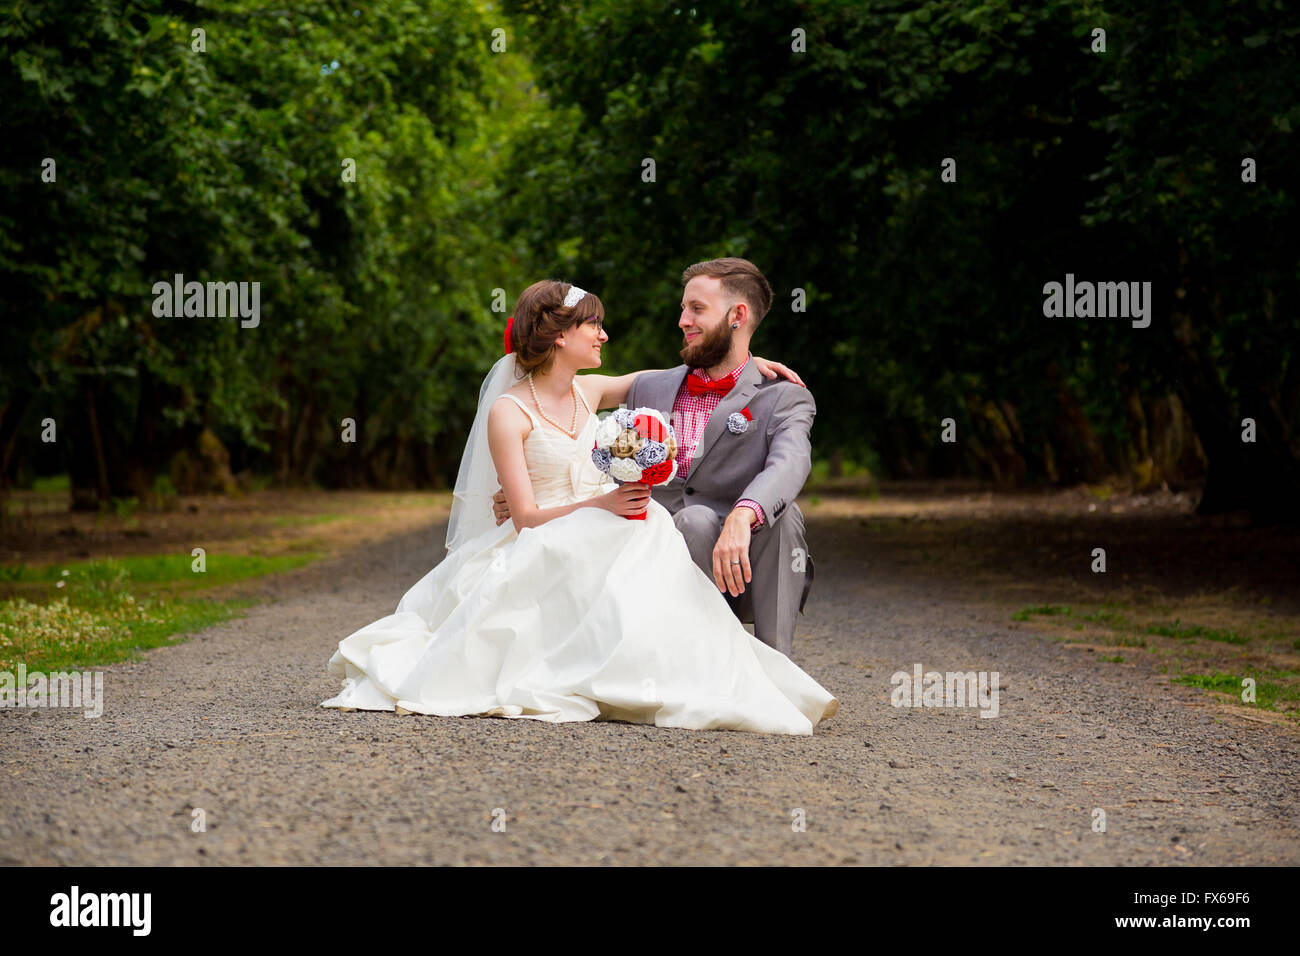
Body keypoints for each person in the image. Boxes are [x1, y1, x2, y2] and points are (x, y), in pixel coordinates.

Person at [320, 279, 839, 735]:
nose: (604, 335)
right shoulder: (537, 404)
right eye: (594, 325)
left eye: (694, 310)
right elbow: (528, 490)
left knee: (693, 529)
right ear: (561, 335)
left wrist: (750, 364)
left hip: (623, 524)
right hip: (580, 526)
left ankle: (733, 667)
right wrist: (585, 501)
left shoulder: (599, 393)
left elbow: (694, 396)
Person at [494, 258, 815, 658]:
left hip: (742, 566)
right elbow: (551, 410)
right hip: (651, 560)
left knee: (785, 517)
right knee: (692, 521)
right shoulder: (650, 387)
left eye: (696, 309)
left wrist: (743, 514)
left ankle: (777, 666)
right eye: (683, 308)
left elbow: (791, 462)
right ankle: (700, 659)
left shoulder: (782, 395)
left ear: (738, 316)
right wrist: (529, 493)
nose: (682, 319)